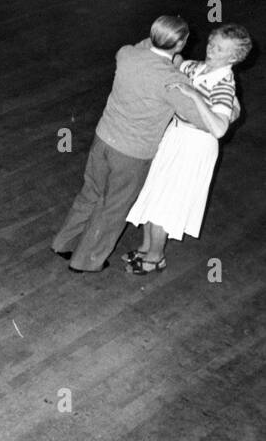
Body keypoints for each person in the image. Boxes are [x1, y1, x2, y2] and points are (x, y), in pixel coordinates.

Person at [50, 16, 213, 273]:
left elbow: (146, 45)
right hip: (133, 154)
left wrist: (170, 54)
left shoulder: (126, 55)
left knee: (91, 192)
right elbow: (202, 121)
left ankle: (64, 243)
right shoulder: (173, 81)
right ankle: (86, 261)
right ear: (180, 44)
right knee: (113, 207)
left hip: (104, 137)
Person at [123, 24, 251, 275]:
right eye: (212, 44)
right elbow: (178, 61)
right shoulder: (197, 66)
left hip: (195, 147)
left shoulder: (225, 84)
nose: (212, 50)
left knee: (165, 204)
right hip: (176, 136)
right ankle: (146, 248)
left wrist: (193, 95)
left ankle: (155, 258)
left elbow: (219, 128)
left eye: (220, 49)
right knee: (154, 194)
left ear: (234, 58)